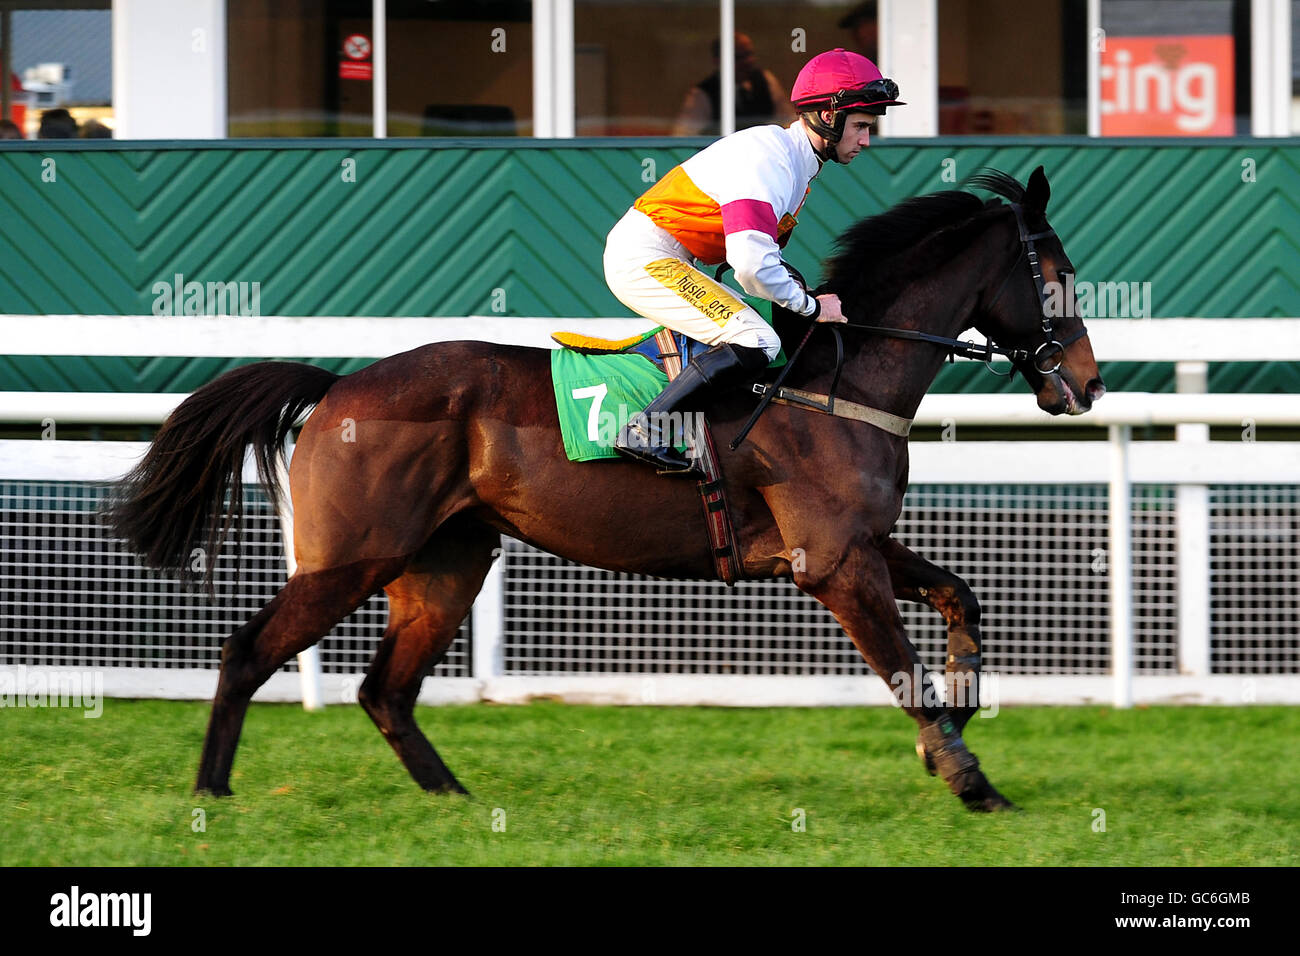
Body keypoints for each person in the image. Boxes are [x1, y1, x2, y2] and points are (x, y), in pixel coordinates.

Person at [605, 48, 904, 476]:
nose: (866, 140)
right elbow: (749, 266)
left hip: (670, 256)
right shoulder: (769, 159)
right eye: (860, 126)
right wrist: (813, 307)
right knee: (758, 341)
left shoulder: (794, 162)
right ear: (826, 115)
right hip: (645, 259)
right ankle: (644, 429)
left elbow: (754, 259)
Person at [672, 33, 797, 137]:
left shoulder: (766, 80)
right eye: (738, 57)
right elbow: (684, 135)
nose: (748, 62)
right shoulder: (703, 93)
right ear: (718, 60)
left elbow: (789, 120)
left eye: (749, 54)